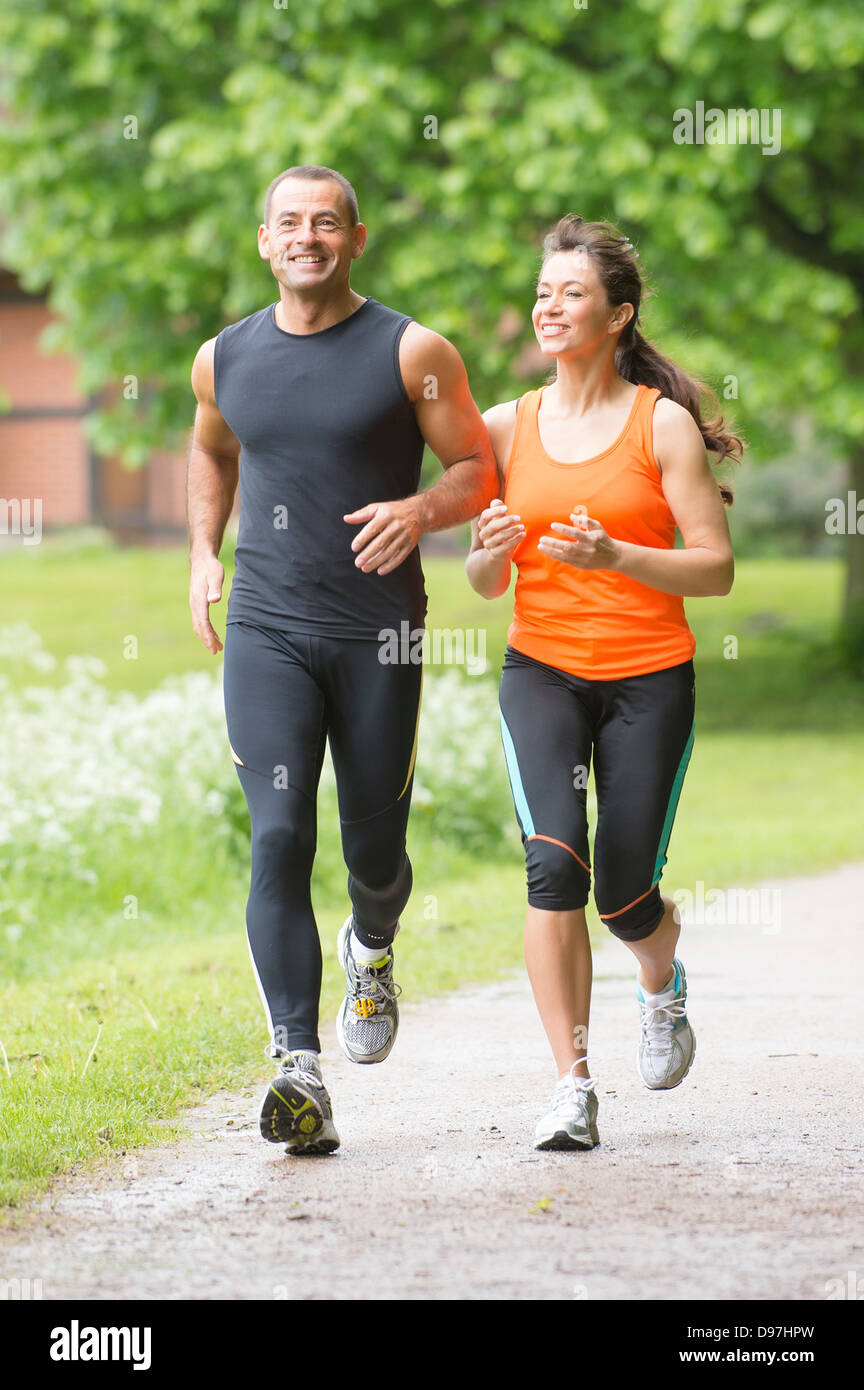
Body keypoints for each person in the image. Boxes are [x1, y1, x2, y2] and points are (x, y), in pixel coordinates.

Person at [187, 165, 497, 1154]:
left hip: (378, 636)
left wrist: (420, 510)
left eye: (327, 223)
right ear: (264, 239)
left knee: (373, 853)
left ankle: (372, 946)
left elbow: (477, 467)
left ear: (357, 238)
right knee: (278, 835)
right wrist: (204, 548)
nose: (307, 237)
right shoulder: (223, 357)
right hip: (270, 630)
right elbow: (212, 449)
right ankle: (297, 1067)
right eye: (289, 222)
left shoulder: (413, 351)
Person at [466, 215, 741, 1151]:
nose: (550, 305)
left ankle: (660, 983)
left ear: (617, 315)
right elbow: (482, 579)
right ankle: (572, 1086)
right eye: (543, 291)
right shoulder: (505, 426)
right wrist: (485, 553)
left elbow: (715, 569)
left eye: (571, 292)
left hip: (648, 679)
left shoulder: (659, 425)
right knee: (554, 868)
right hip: (540, 669)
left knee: (625, 893)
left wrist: (619, 553)